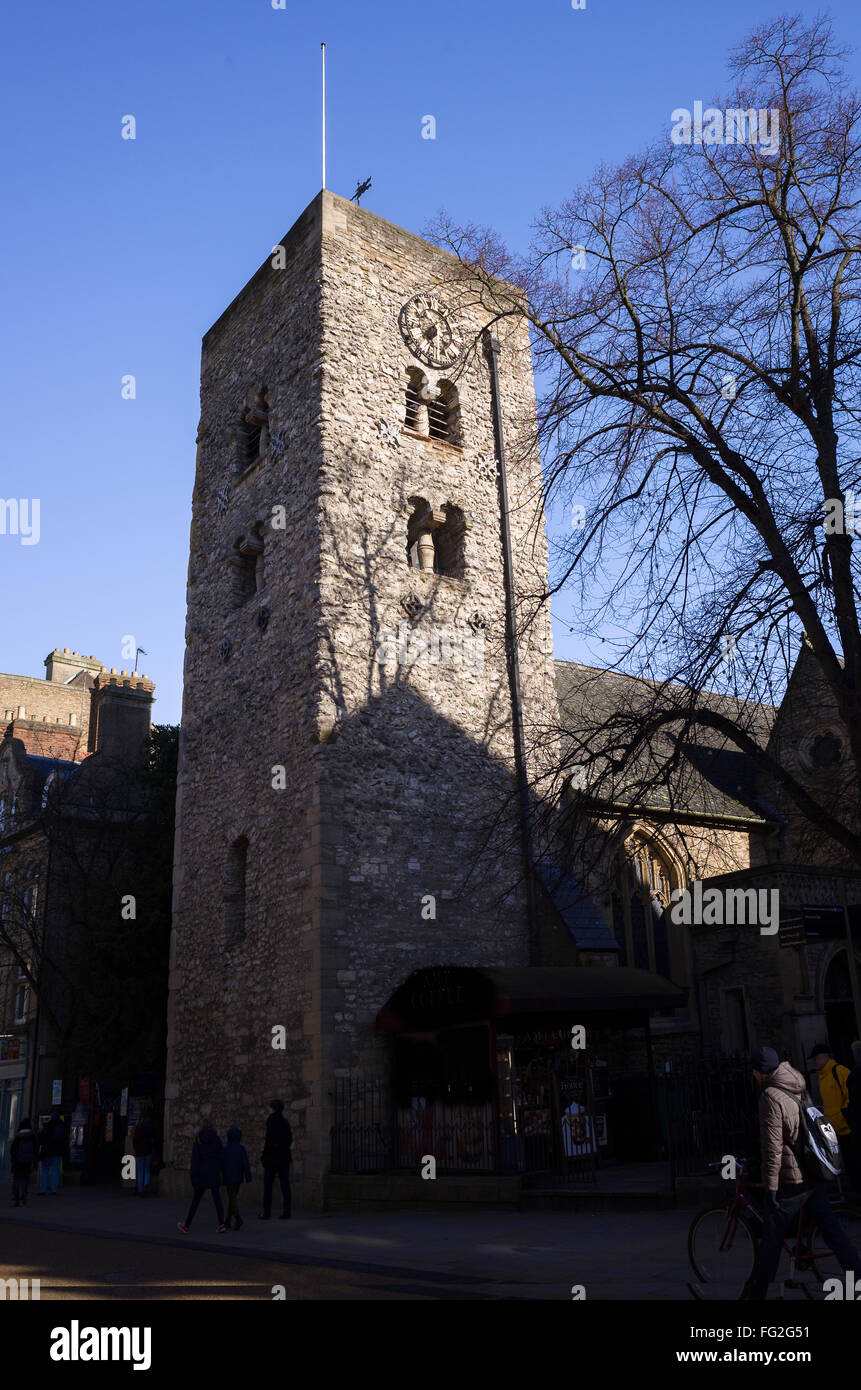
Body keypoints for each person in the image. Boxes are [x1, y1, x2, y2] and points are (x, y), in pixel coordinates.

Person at [739, 1046, 861, 1300]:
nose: (752, 1076)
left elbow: (772, 1148)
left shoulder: (770, 1096)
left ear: (761, 1072)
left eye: (753, 1072)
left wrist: (770, 1186)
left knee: (771, 1241)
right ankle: (858, 1277)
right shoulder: (797, 1085)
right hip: (813, 1174)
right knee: (834, 1234)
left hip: (793, 1181)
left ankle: (754, 1295)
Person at [808, 1041, 856, 1187]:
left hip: (848, 1129)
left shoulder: (840, 1071)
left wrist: (842, 1118)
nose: (814, 1062)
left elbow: (852, 1097)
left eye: (816, 1058)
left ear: (825, 1057)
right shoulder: (822, 1077)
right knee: (847, 1166)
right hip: (835, 1131)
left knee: (854, 1164)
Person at [177, 1127, 226, 1233]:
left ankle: (187, 1225)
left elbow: (195, 1161)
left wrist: (193, 1177)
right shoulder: (217, 1140)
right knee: (217, 1199)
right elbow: (221, 1157)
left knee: (195, 1201)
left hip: (202, 1174)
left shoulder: (198, 1142)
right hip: (214, 1172)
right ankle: (222, 1224)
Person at [258, 1099, 292, 1221]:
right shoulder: (285, 1122)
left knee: (268, 1185)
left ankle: (267, 1212)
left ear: (273, 1109)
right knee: (285, 1185)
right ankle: (287, 1212)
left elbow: (269, 1140)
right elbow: (289, 1139)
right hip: (284, 1157)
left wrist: (264, 1155)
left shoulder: (271, 1121)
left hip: (272, 1157)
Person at [222, 1126, 252, 1230]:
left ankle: (237, 1219)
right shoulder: (241, 1149)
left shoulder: (225, 1150)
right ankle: (228, 1221)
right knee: (232, 1198)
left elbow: (222, 1164)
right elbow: (245, 1164)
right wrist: (248, 1176)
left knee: (232, 1198)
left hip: (228, 1177)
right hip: (238, 1177)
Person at [10, 1118, 38, 1207]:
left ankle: (16, 1197)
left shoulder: (18, 1136)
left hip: (18, 1160)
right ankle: (24, 1194)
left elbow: (13, 1150)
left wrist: (13, 1158)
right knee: (25, 1178)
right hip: (27, 1160)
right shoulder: (32, 1136)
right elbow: (35, 1149)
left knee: (17, 1179)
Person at [38, 1110, 65, 1195]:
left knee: (44, 1170)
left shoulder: (46, 1126)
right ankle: (54, 1190)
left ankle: (43, 1190)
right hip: (57, 1151)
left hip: (46, 1150)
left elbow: (40, 1137)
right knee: (55, 1170)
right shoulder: (62, 1127)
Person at [132, 1110, 155, 1196]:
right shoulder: (150, 1126)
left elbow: (135, 1140)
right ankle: (145, 1185)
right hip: (148, 1150)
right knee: (146, 1170)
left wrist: (136, 1148)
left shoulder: (138, 1128)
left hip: (139, 1151)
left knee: (140, 1170)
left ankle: (140, 1190)